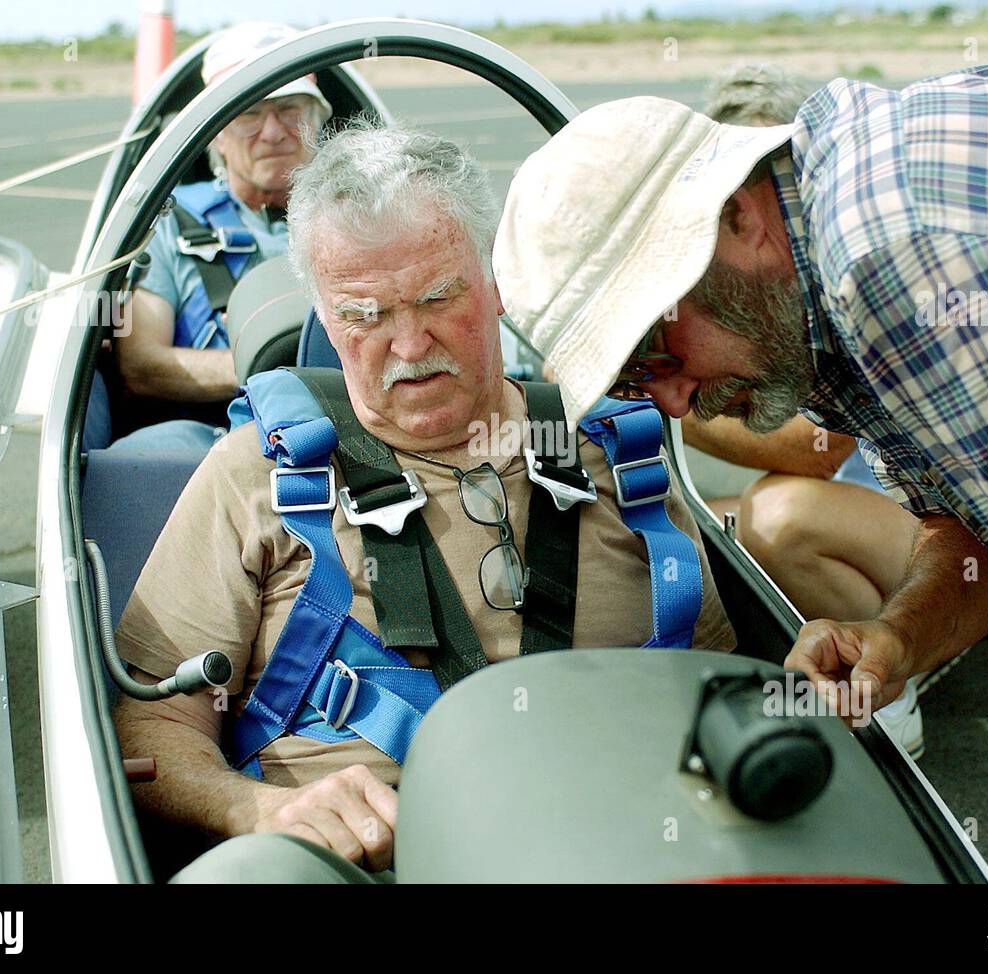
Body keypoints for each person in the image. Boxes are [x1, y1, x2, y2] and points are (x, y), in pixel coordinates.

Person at [493, 63, 988, 883]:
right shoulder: (808, 272)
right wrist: (897, 638)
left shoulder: (893, 264)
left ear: (737, 218)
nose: (671, 402)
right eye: (633, 382)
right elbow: (974, 529)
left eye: (658, 350)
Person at [112, 122, 736, 877]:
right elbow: (150, 726)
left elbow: (721, 691)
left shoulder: (623, 460)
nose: (409, 344)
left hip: (620, 846)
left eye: (439, 298)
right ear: (323, 317)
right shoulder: (257, 476)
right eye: (364, 316)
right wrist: (258, 812)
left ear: (498, 281)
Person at [687, 64, 926, 754]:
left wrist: (667, 392)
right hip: (896, 522)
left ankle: (888, 696)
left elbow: (817, 449)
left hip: (961, 545)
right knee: (700, 532)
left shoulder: (849, 268)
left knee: (779, 518)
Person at [113, 21, 331, 438]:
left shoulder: (361, 216)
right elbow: (140, 364)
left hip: (351, 421)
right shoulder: (169, 222)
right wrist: (276, 363)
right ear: (219, 136)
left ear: (315, 121)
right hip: (217, 435)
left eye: (289, 110)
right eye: (249, 113)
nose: (272, 133)